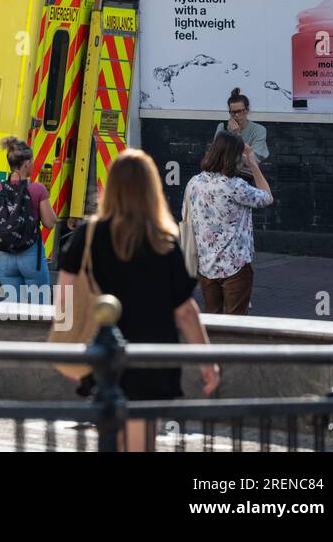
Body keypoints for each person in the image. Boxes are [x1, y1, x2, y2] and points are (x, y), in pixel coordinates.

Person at [56, 148, 220, 451]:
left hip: (106, 357)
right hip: (154, 359)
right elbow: (184, 310)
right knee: (139, 444)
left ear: (112, 187)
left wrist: (69, 340)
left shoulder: (89, 235)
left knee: (111, 441)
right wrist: (206, 360)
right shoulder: (162, 242)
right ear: (151, 189)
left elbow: (65, 289)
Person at [184, 131, 272, 315]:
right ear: (233, 156)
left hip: (205, 263)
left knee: (212, 317)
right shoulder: (235, 185)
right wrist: (253, 163)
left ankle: (209, 344)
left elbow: (186, 215)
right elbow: (267, 197)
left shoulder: (194, 182)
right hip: (236, 266)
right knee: (235, 321)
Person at [0, 136, 56, 303]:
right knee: (37, 308)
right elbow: (49, 223)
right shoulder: (37, 189)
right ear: (26, 163)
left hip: (5, 256)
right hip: (31, 255)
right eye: (31, 161)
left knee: (12, 308)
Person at [216, 88, 269, 169]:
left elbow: (252, 160)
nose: (237, 115)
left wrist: (237, 135)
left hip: (246, 176)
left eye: (240, 111)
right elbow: (216, 155)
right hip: (224, 174)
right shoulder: (222, 127)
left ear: (247, 110)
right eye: (233, 112)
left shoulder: (259, 130)